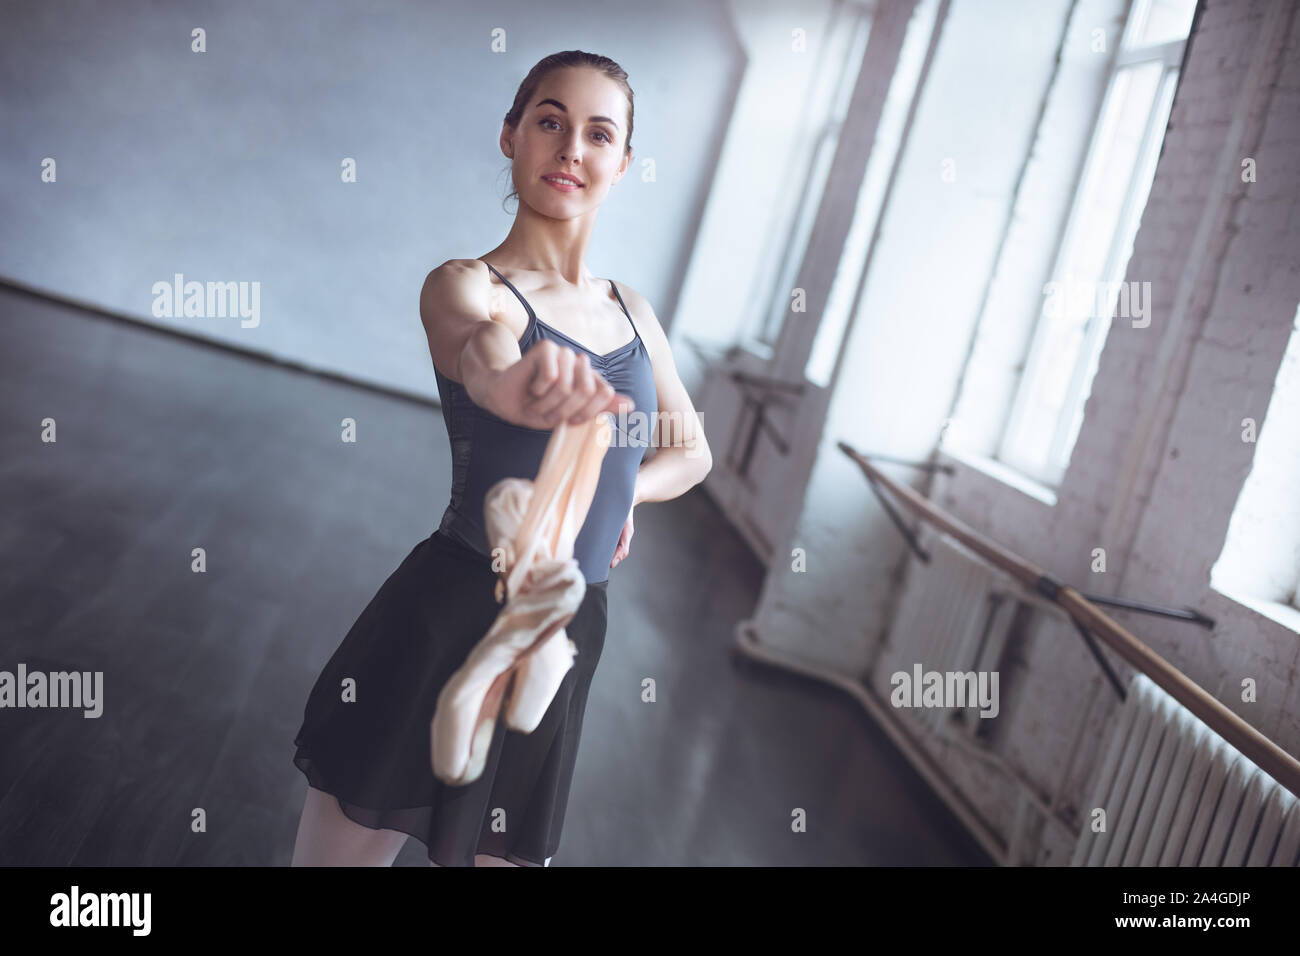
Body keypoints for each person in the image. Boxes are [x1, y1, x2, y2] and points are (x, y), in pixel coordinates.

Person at [290, 50, 712, 867]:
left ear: (623, 162)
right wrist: (514, 386)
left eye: (598, 133)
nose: (571, 150)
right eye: (549, 122)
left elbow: (690, 453)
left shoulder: (633, 310)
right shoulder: (470, 285)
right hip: (445, 616)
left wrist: (621, 498)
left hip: (566, 631)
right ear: (510, 134)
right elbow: (479, 351)